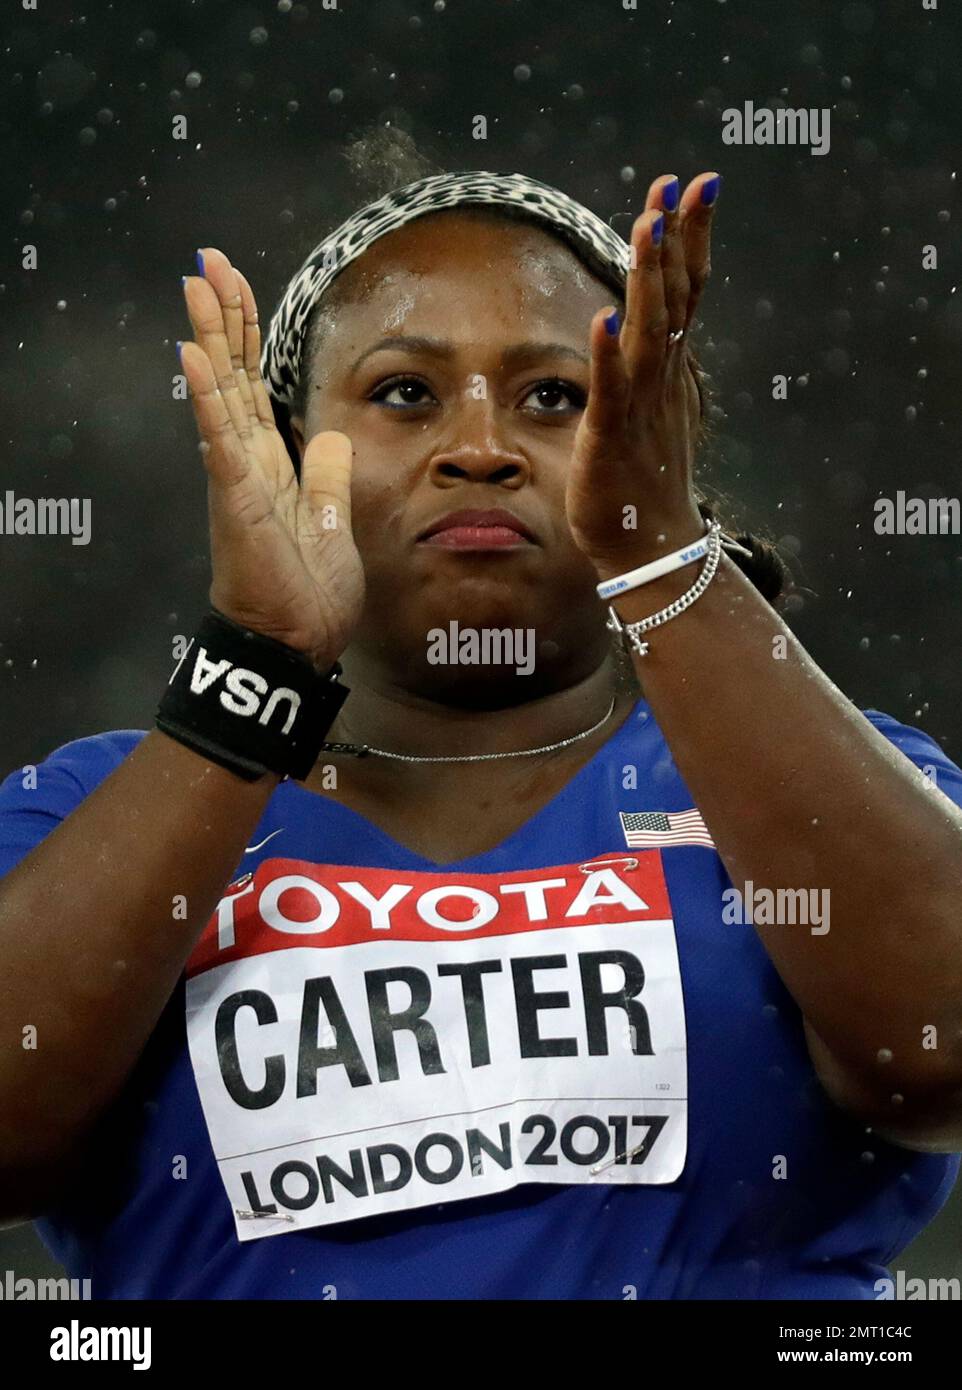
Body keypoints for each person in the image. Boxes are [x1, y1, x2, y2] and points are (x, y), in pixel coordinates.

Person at [2, 127, 962, 1301]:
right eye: (405, 393)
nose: (480, 447)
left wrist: (662, 558)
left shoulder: (832, 783)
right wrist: (256, 666)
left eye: (552, 396)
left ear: (652, 436)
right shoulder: (94, 811)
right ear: (293, 452)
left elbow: (941, 1055)